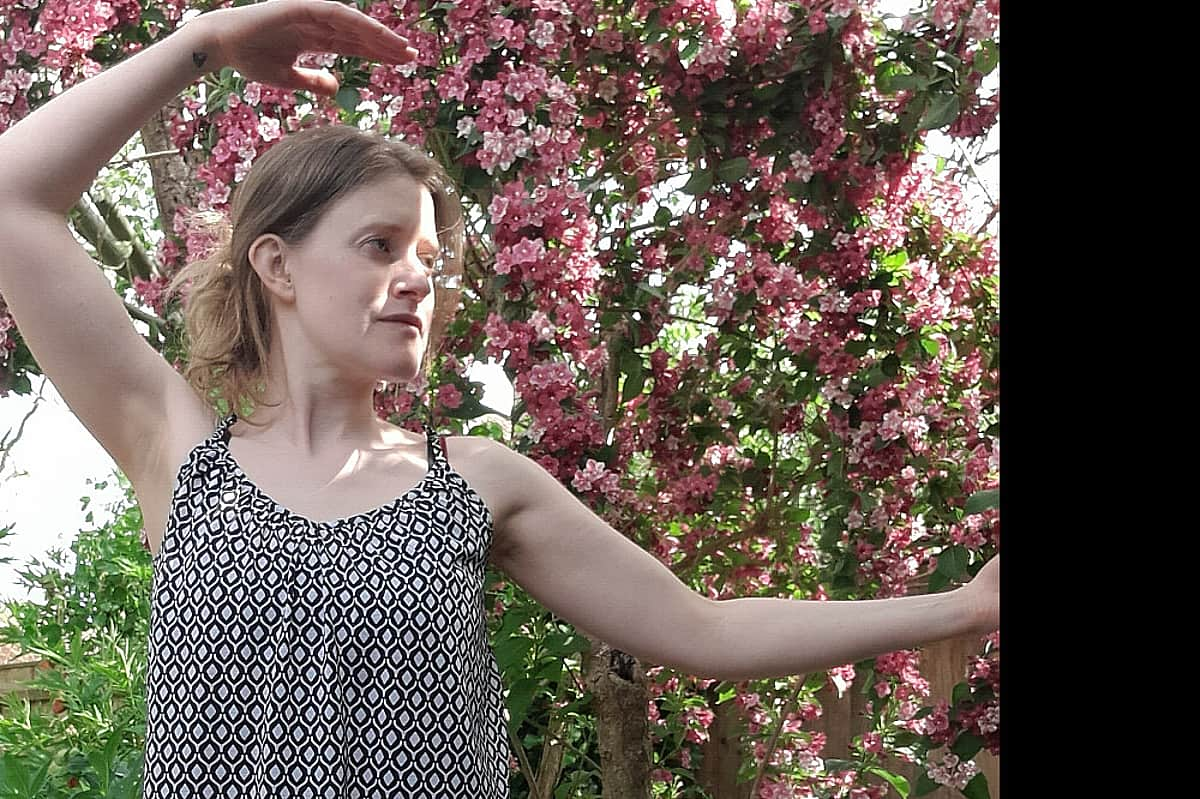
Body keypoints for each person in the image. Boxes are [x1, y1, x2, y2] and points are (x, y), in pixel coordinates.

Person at [0, 0, 1000, 795]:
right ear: (277, 264)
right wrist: (205, 42)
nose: (416, 279)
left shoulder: (473, 483)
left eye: (428, 257)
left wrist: (963, 603)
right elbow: (13, 197)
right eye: (378, 245)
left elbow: (706, 630)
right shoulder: (177, 450)